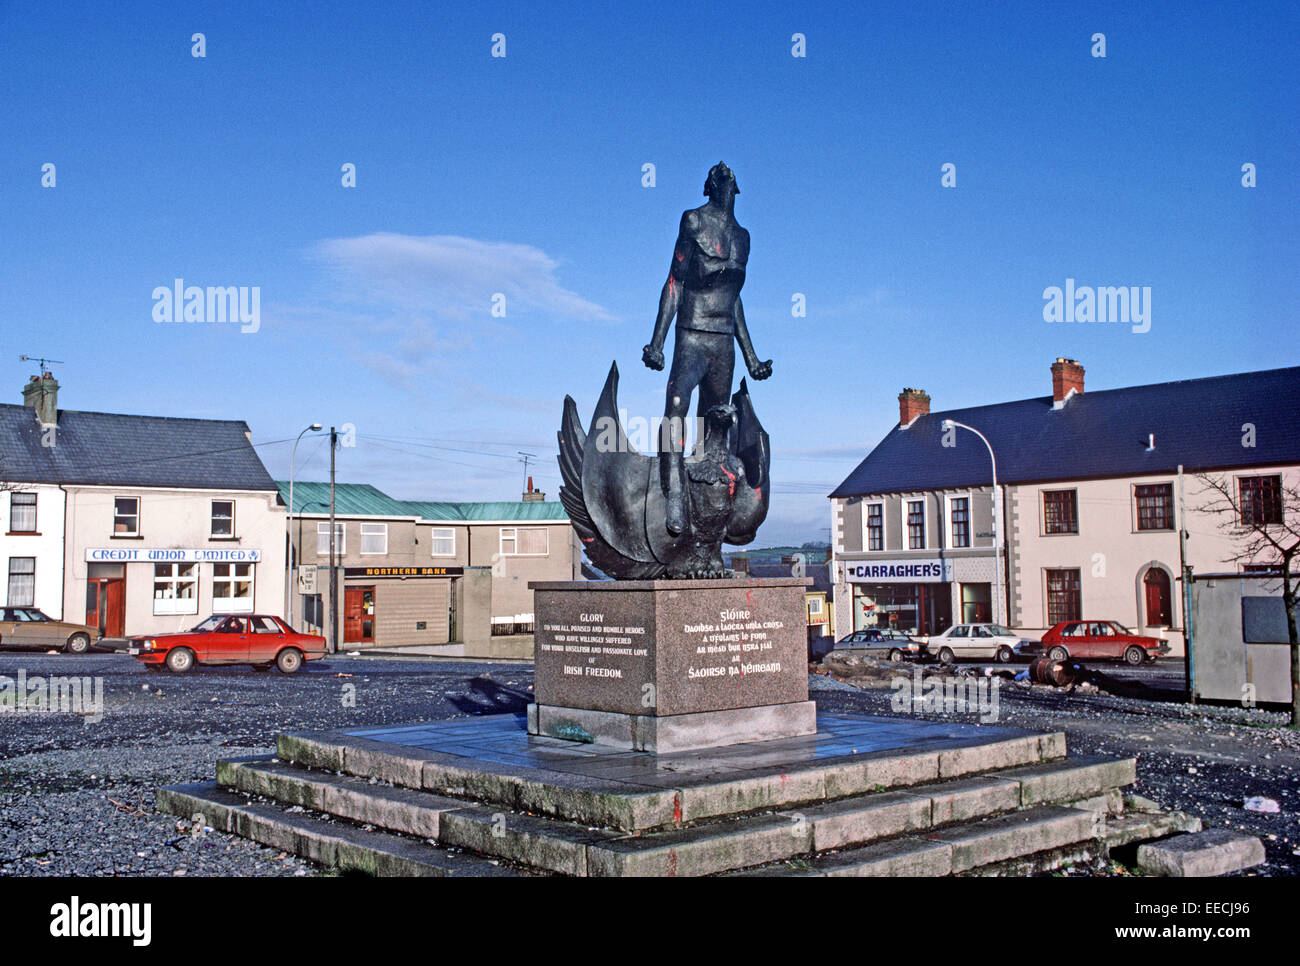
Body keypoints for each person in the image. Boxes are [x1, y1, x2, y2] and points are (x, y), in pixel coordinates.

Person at [642, 162, 772, 535]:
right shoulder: (693, 222)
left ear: (736, 187)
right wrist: (657, 342)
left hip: (723, 341)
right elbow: (674, 282)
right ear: (709, 186)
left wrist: (751, 357)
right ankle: (674, 489)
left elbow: (735, 300)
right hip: (692, 334)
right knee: (677, 406)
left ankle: (710, 511)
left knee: (716, 424)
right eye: (719, 177)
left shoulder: (744, 237)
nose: (725, 179)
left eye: (730, 177)